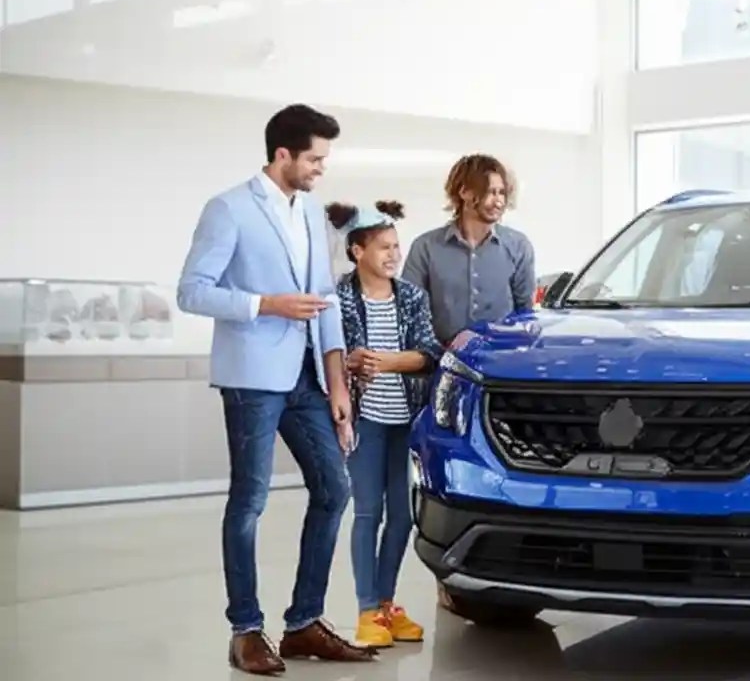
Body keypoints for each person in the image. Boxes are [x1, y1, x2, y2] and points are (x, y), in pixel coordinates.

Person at [177, 103, 376, 675]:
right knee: (250, 500)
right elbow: (192, 291)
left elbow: (326, 300)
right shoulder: (229, 208)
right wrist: (266, 304)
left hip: (308, 378)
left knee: (335, 490)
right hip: (252, 380)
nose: (321, 169)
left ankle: (303, 623)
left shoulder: (312, 212)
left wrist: (337, 386)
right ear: (282, 154)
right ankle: (245, 630)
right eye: (314, 158)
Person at [325, 200, 444, 648]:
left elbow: (428, 353)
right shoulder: (340, 298)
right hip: (366, 422)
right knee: (368, 512)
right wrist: (357, 363)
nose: (394, 255)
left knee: (402, 517)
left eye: (397, 246)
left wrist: (388, 361)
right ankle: (365, 610)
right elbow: (334, 354)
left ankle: (386, 604)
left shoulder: (411, 296)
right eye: (384, 247)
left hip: (404, 422)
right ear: (358, 251)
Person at [401, 153, 536, 351]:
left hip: (501, 363)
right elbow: (410, 314)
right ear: (464, 192)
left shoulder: (518, 246)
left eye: (501, 193)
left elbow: (526, 317)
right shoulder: (426, 247)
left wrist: (484, 334)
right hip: (439, 365)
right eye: (490, 192)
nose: (498, 201)